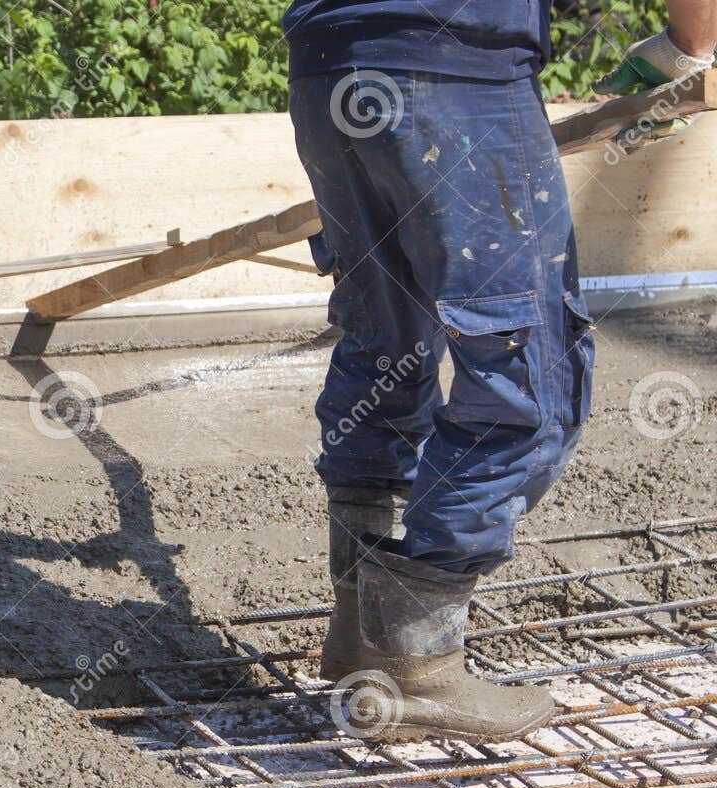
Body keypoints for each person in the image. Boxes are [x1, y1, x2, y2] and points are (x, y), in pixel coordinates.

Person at [283, 1, 716, 741]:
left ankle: (360, 630)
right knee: (529, 377)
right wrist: (689, 46)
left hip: (328, 60)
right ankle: (416, 664)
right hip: (457, 74)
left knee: (385, 342)